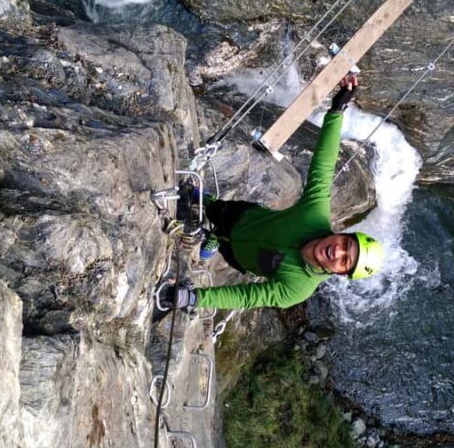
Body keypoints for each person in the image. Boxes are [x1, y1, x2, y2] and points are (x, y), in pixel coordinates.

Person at [162, 74, 383, 314]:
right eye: (345, 244)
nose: (337, 251)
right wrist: (337, 111)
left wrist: (193, 298)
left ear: (340, 273)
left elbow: (248, 297)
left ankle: (213, 237)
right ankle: (205, 203)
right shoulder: (314, 215)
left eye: (344, 260)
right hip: (242, 217)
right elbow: (323, 166)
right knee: (216, 210)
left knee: (219, 243)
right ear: (342, 235)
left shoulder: (298, 289)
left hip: (239, 256)